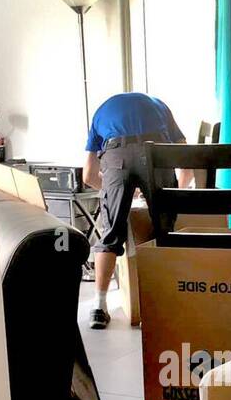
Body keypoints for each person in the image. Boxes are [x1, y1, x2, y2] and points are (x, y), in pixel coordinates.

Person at [83, 92, 195, 328]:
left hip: (115, 155)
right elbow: (187, 161)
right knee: (165, 233)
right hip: (155, 153)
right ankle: (162, 305)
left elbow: (89, 176)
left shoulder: (100, 112)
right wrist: (173, 195)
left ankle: (98, 308)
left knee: (111, 232)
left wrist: (119, 191)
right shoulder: (159, 105)